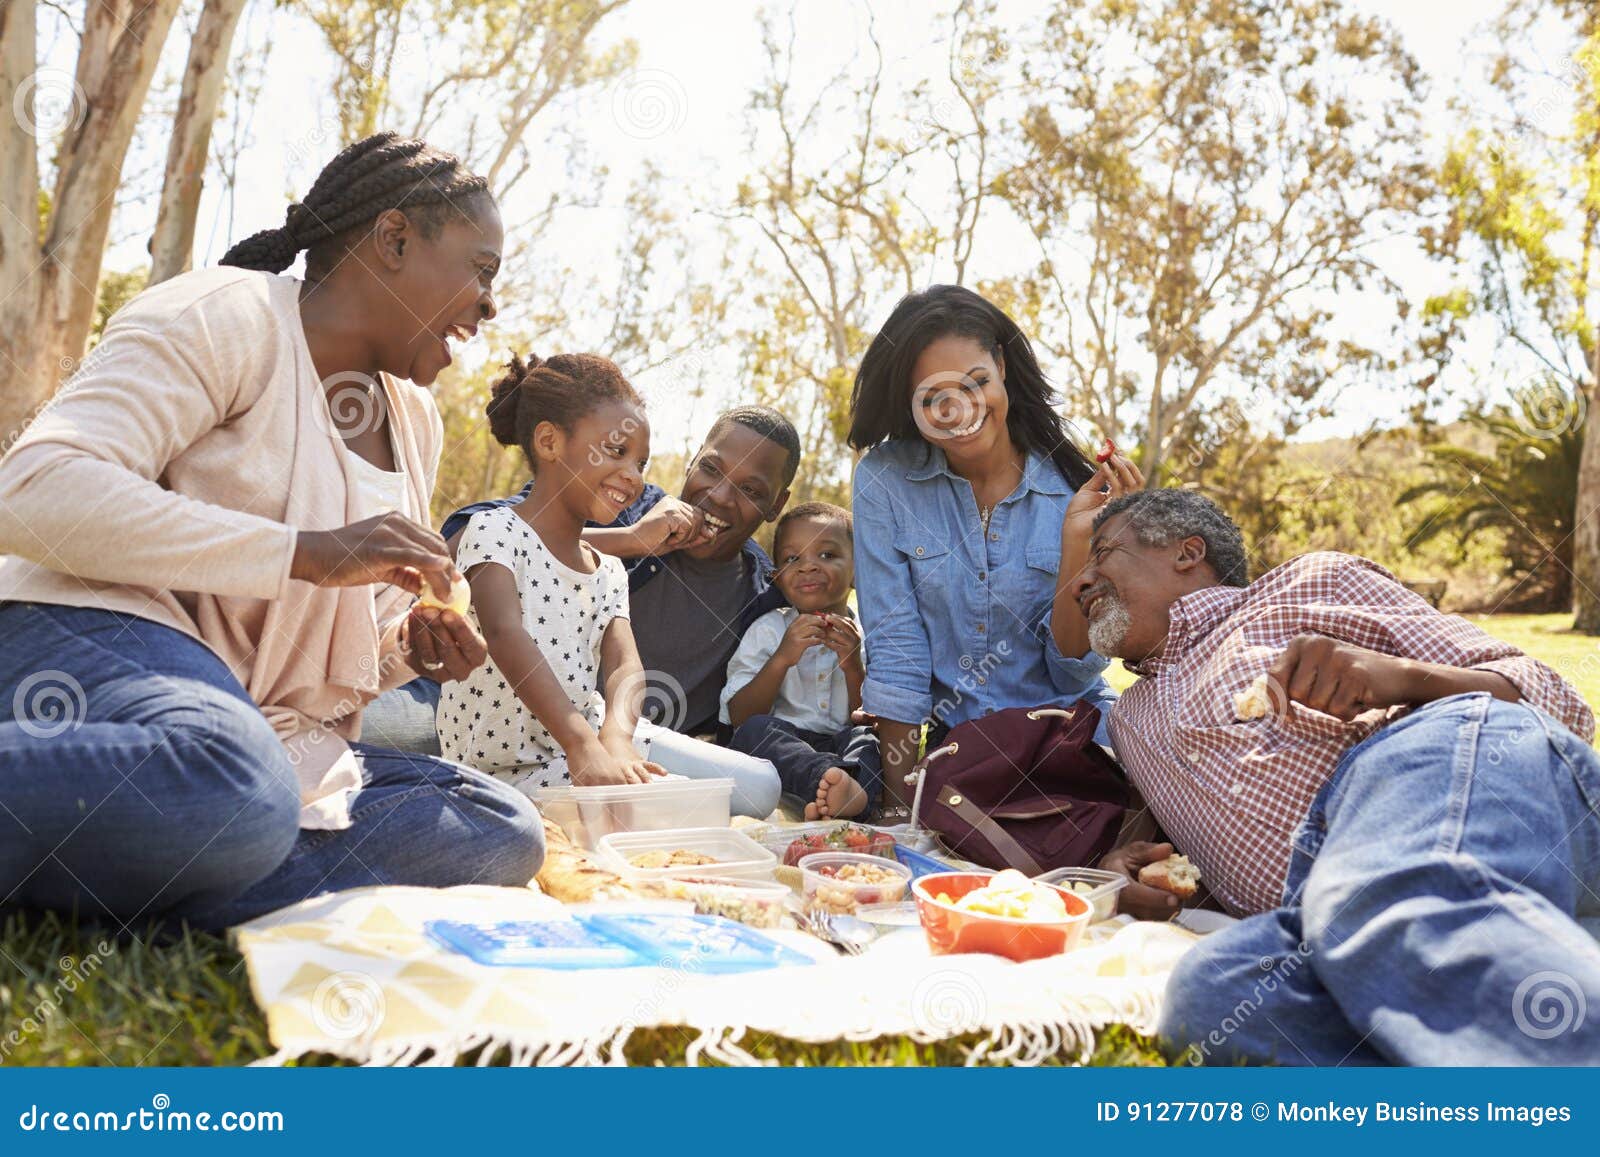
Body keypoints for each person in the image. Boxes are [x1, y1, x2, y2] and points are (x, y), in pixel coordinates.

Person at [0, 133, 543, 931]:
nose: (491, 302)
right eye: (482, 268)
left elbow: (318, 635)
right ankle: (193, 842)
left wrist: (405, 649)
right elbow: (33, 492)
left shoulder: (413, 420)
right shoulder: (227, 314)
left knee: (497, 828)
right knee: (237, 782)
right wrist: (310, 553)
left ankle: (156, 859)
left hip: (240, 724)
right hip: (91, 638)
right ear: (393, 239)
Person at [1070, 488, 1599, 1065]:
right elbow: (1225, 861)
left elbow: (1556, 701)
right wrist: (1139, 876)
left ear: (1186, 552)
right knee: (1216, 996)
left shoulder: (1312, 581)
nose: (1080, 582)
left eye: (1102, 553)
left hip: (1426, 766)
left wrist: (1396, 679)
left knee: (1395, 903)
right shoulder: (1130, 720)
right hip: (1322, 916)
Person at [847, 284, 1139, 814]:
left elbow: (1073, 671)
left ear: (1001, 365)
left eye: (977, 382)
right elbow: (896, 650)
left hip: (1073, 743)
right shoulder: (884, 481)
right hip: (957, 753)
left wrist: (1082, 543)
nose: (962, 410)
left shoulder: (1078, 488)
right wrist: (896, 812)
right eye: (936, 399)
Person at [440, 352, 680, 792]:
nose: (634, 476)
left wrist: (617, 737)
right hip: (503, 774)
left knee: (755, 788)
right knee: (649, 810)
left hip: (584, 746)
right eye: (617, 451)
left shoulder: (607, 569)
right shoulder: (495, 532)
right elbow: (504, 632)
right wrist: (582, 745)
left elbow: (625, 663)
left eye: (641, 463)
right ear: (550, 442)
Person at [723, 502, 882, 819]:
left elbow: (868, 717)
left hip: (842, 743)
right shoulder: (768, 630)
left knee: (871, 741)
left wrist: (852, 665)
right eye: (792, 559)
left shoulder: (871, 634)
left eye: (826, 555)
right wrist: (782, 659)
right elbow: (739, 714)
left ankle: (835, 794)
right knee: (754, 731)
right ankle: (833, 785)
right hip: (786, 749)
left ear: (857, 571)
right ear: (779, 578)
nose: (808, 567)